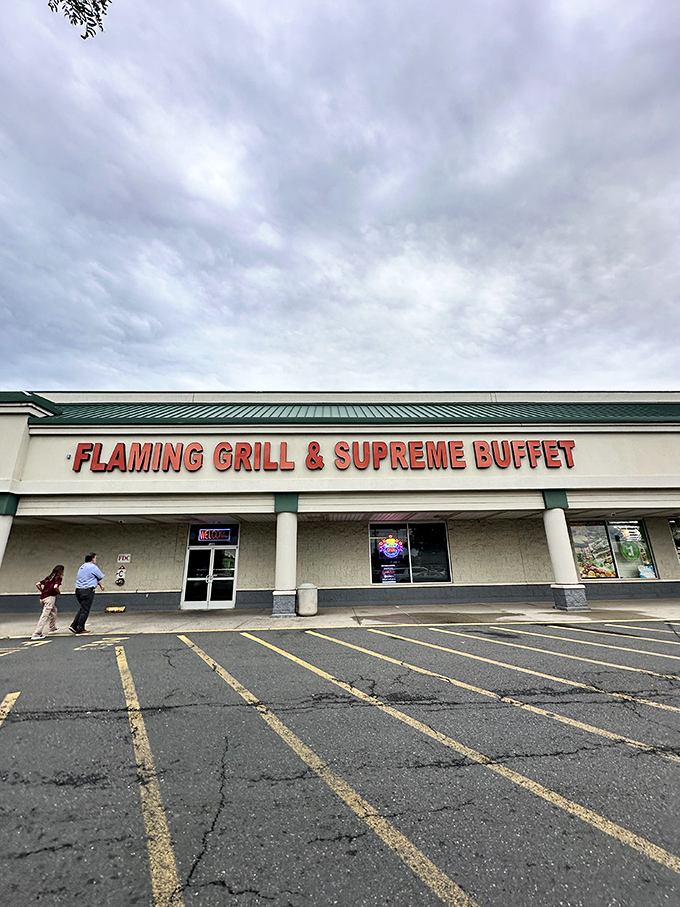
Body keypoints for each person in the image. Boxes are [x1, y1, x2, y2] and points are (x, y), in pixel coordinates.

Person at [70, 553, 105, 635]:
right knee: (85, 610)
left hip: (78, 590)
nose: (96, 559)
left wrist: (100, 584)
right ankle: (80, 628)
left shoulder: (82, 567)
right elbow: (100, 576)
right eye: (95, 558)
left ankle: (74, 625)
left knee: (83, 608)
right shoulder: (93, 567)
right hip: (87, 590)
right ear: (92, 559)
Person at [31, 565, 65, 640]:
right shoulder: (58, 578)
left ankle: (52, 628)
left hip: (43, 598)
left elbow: (38, 584)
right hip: (50, 598)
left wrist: (42, 591)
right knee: (44, 615)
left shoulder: (48, 578)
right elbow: (55, 587)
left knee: (54, 611)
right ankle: (37, 633)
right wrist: (58, 592)